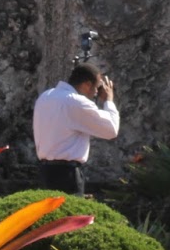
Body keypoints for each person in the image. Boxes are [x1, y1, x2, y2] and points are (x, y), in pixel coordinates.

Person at [33, 62, 119, 195]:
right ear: (87, 85)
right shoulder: (76, 102)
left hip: (44, 171)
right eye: (97, 87)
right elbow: (111, 130)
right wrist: (109, 100)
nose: (97, 93)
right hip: (67, 175)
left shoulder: (45, 96)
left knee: (49, 215)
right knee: (70, 215)